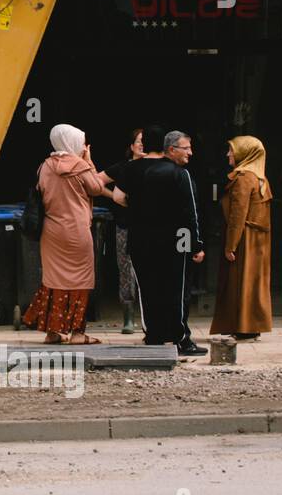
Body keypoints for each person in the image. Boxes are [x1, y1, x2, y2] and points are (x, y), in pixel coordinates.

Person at [111, 130, 208, 356]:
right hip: (174, 242)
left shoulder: (133, 171)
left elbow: (119, 197)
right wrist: (197, 244)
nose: (190, 153)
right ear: (171, 149)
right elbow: (190, 213)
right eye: (187, 148)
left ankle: (154, 335)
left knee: (148, 290)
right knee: (177, 290)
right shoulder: (179, 174)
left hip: (140, 240)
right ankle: (181, 339)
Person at [23, 124, 109, 345]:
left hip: (52, 232)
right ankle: (78, 333)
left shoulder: (45, 166)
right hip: (78, 231)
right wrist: (88, 159)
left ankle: (53, 332)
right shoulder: (80, 165)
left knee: (53, 280)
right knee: (81, 280)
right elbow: (97, 188)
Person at [210, 136, 273, 340]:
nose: (228, 154)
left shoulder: (244, 177)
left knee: (240, 281)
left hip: (245, 239)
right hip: (257, 239)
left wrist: (230, 246)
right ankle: (248, 325)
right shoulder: (259, 177)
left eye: (232, 150)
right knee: (253, 282)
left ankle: (244, 326)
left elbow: (238, 215)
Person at [99, 127, 146, 334]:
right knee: (126, 270)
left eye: (146, 141)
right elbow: (96, 182)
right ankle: (129, 317)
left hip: (150, 226)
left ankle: (150, 316)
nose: (142, 145)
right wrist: (116, 198)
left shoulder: (157, 167)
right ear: (131, 146)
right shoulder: (123, 168)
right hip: (125, 225)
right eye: (138, 141)